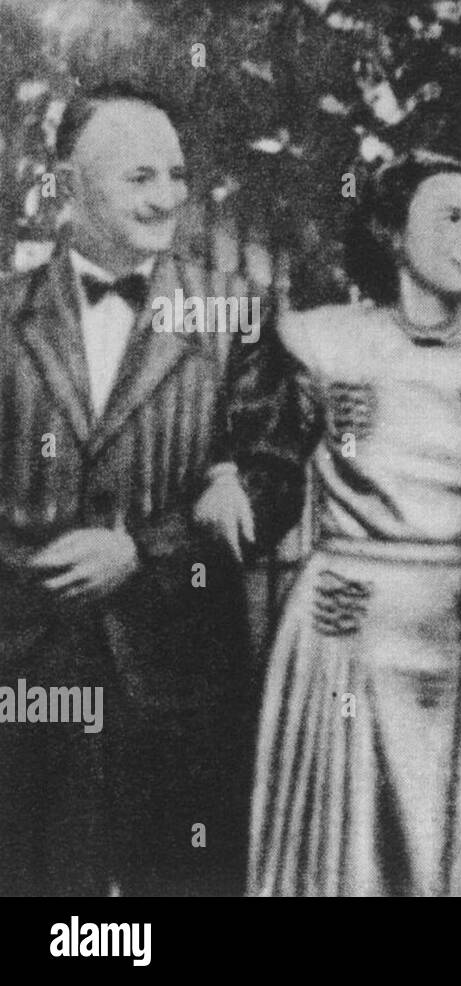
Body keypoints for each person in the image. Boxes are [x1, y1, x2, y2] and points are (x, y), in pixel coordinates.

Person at [235, 151, 461, 896]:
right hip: (342, 638)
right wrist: (228, 478)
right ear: (391, 233)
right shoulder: (321, 338)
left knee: (450, 851)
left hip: (459, 638)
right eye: (452, 217)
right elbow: (264, 462)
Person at [0, 83, 255, 895]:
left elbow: (272, 469)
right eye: (139, 177)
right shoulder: (9, 314)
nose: (168, 198)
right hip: (30, 670)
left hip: (183, 674)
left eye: (176, 175)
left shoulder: (232, 313)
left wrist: (139, 549)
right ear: (70, 187)